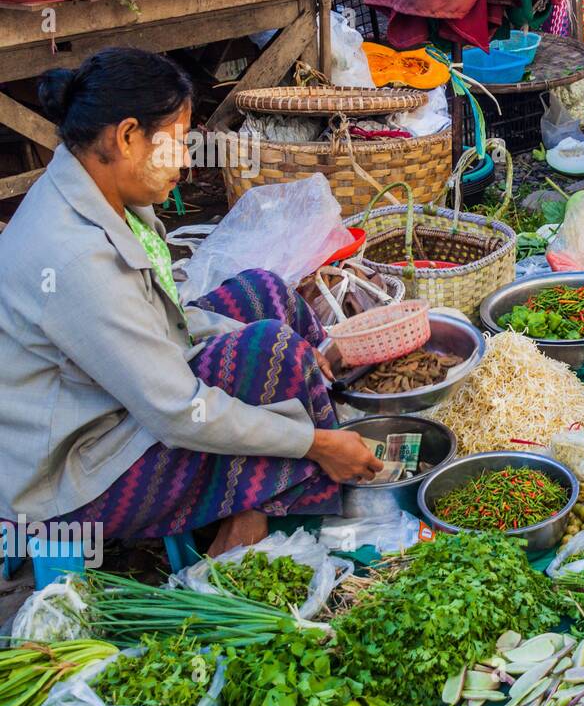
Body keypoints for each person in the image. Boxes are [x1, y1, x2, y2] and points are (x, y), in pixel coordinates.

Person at [0, 48, 383, 557]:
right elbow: (178, 412)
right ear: (128, 136)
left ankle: (282, 472)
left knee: (264, 293)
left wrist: (251, 338)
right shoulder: (75, 260)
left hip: (116, 400)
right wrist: (316, 443)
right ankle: (301, 490)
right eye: (179, 142)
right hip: (75, 476)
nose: (186, 160)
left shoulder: (101, 194)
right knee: (272, 352)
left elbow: (165, 319)